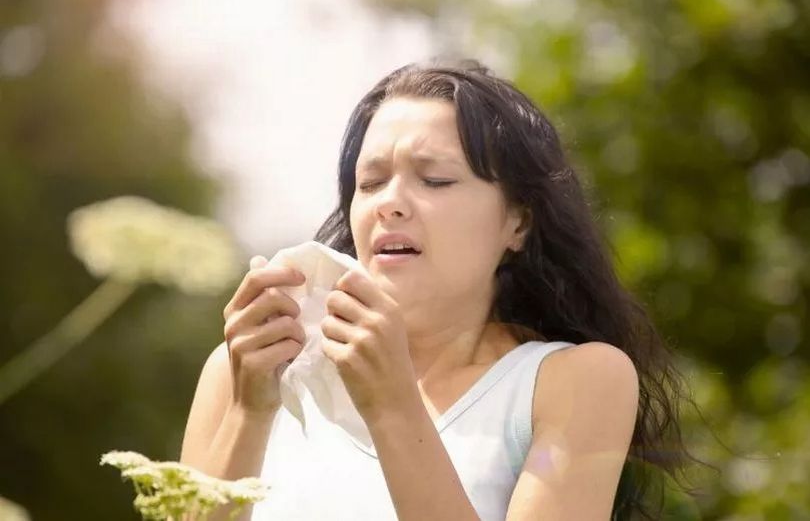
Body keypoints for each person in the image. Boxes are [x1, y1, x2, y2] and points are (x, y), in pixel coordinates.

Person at [179, 58, 691, 520]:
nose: (391, 204)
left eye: (436, 180)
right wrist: (251, 412)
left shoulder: (575, 381)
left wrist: (394, 408)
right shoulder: (241, 372)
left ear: (518, 223)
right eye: (372, 182)